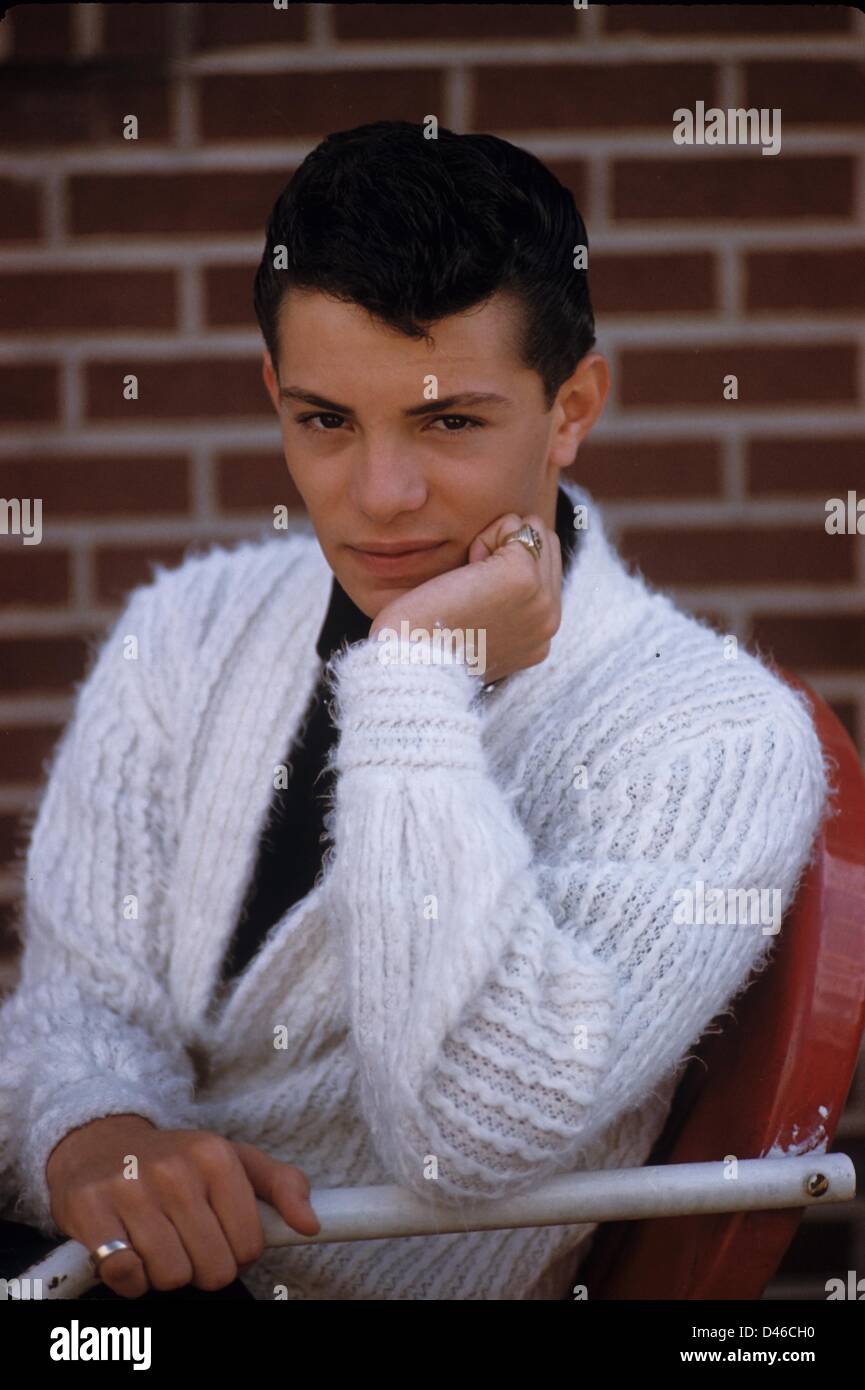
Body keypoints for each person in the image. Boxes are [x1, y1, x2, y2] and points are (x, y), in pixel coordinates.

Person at [0, 120, 834, 1301]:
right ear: (272, 394)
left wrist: (410, 680)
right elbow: (75, 1002)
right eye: (325, 420)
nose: (379, 499)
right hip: (84, 1280)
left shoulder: (714, 738)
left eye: (448, 422)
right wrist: (93, 1131)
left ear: (573, 407)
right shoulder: (183, 630)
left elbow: (475, 1131)